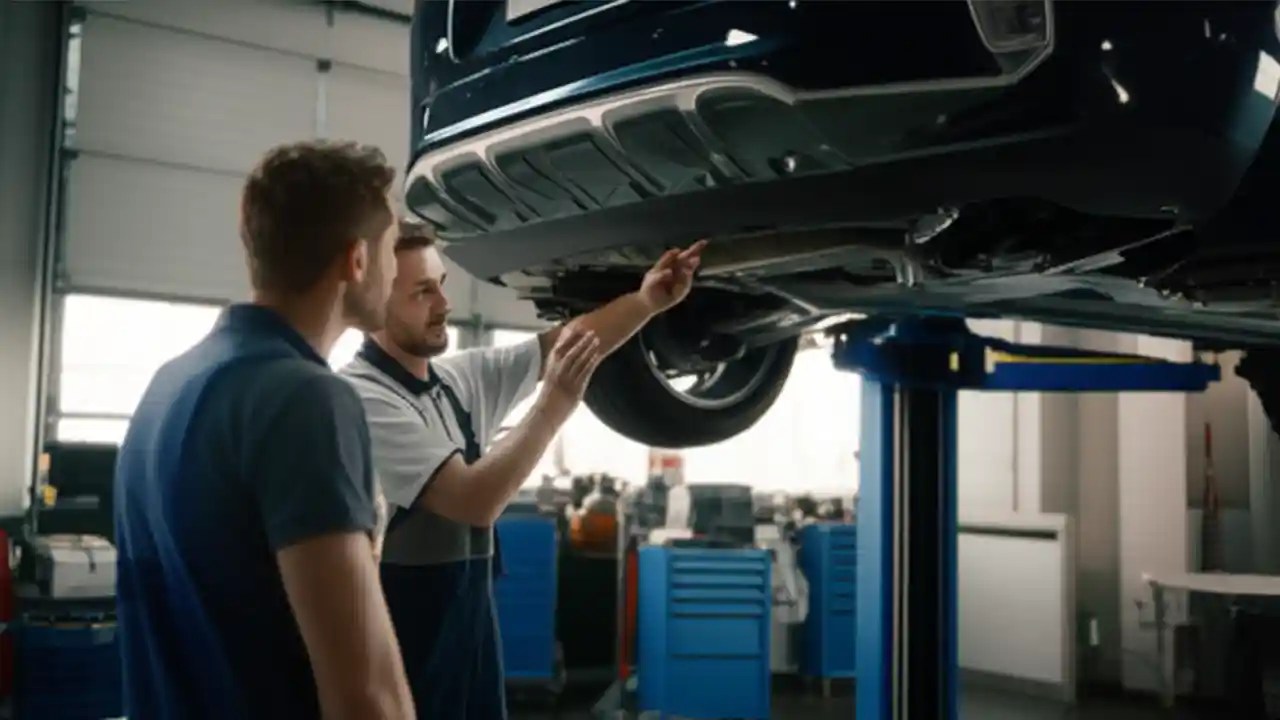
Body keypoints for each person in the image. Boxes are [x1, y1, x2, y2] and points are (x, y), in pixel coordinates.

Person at [340, 220, 705, 719]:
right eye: (423, 292)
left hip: (470, 642)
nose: (444, 305)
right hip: (406, 657)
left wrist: (646, 303)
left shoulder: (457, 380)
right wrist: (555, 402)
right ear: (375, 301)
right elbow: (473, 502)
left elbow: (570, 341)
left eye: (441, 285)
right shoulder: (361, 399)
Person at [114, 140, 415, 720]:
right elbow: (366, 698)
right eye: (393, 248)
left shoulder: (169, 384)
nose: (396, 267)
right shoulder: (306, 399)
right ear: (356, 261)